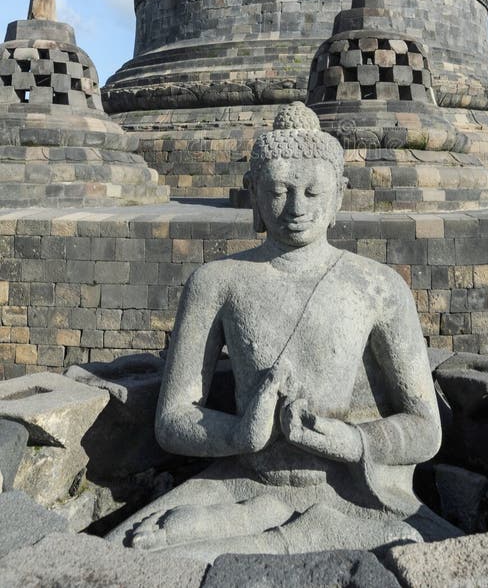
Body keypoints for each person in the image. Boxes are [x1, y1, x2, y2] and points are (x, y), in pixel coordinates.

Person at [110, 103, 444, 559]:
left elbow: (426, 429)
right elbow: (174, 419)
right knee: (123, 556)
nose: (296, 209)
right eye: (279, 191)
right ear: (253, 193)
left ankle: (293, 531)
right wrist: (240, 435)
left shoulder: (377, 287)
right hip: (243, 480)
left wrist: (356, 441)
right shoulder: (216, 283)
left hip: (352, 491)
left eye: (312, 192)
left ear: (339, 196)